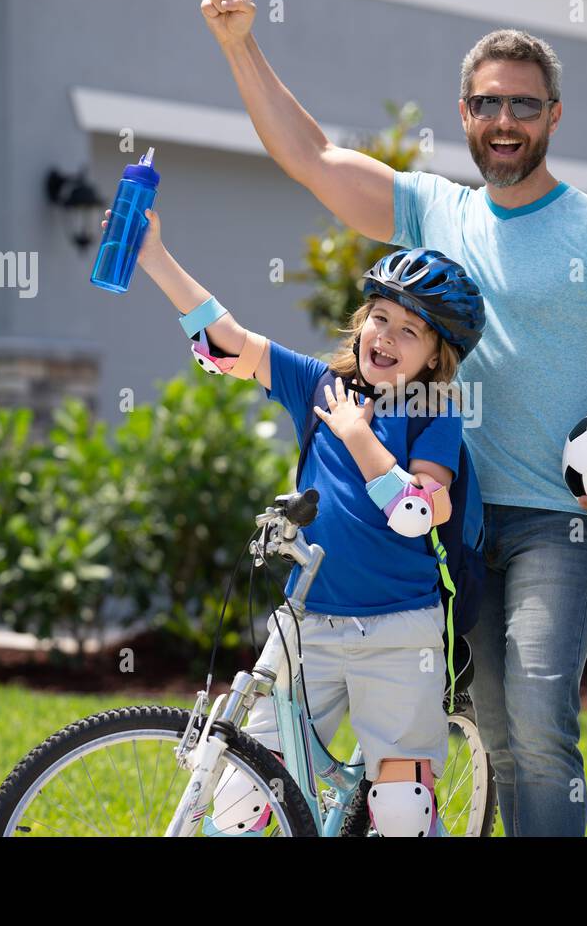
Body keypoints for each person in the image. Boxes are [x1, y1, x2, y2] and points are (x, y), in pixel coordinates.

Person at [199, 0, 587, 837]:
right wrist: (239, 45)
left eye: (522, 104)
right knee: (483, 730)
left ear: (553, 115)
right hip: (448, 525)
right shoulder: (434, 210)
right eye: (486, 104)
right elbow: (312, 159)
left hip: (558, 518)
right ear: (463, 112)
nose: (503, 120)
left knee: (537, 727)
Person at [103, 205, 486, 836]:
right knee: (242, 794)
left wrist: (361, 439)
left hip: (399, 632)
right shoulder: (316, 386)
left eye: (409, 332)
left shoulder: (433, 411)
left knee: (400, 810)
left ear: (435, 359)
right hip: (306, 623)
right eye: (380, 319)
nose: (386, 338)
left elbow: (420, 511)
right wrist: (154, 258)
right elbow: (227, 337)